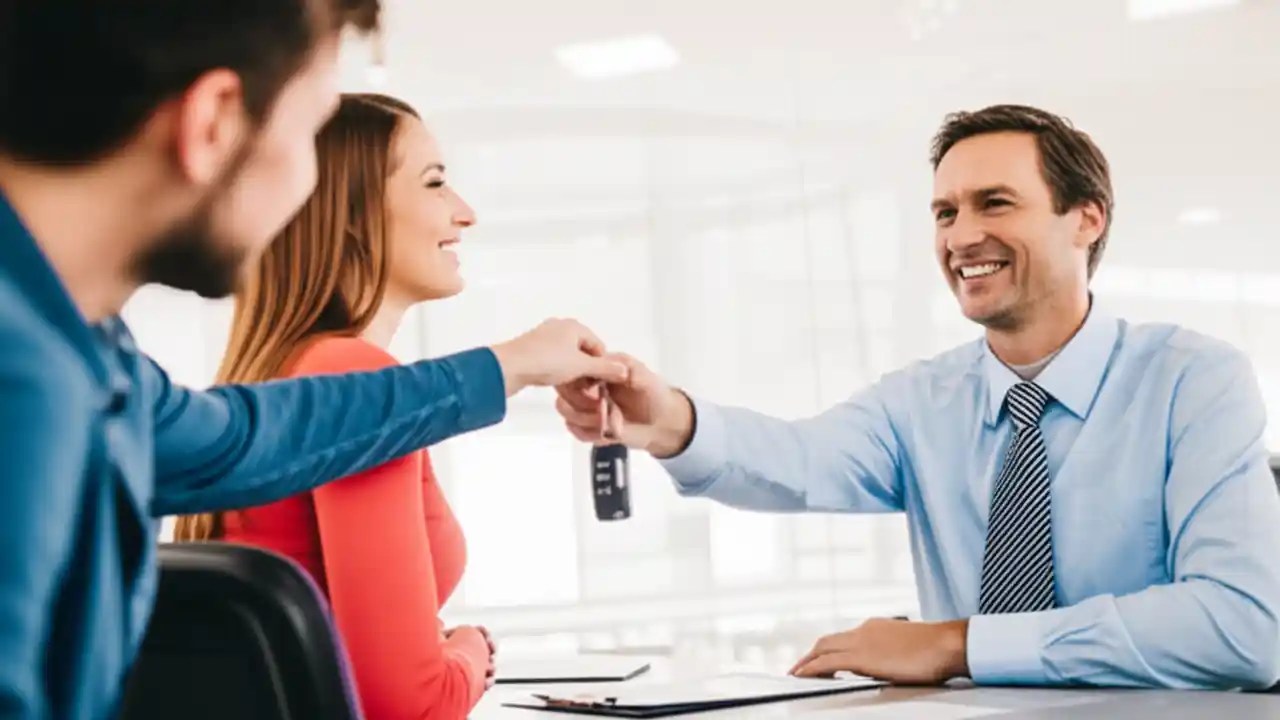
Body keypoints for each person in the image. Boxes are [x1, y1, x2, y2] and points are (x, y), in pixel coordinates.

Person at [0, 4, 626, 718]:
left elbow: (242, 441)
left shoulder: (85, 356)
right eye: (306, 131)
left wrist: (508, 366)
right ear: (214, 123)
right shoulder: (26, 379)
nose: (306, 189)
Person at [557, 104, 1280, 690]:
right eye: (944, 212)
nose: (962, 236)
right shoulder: (922, 401)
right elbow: (801, 459)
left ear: (1085, 220)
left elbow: (1243, 628)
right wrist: (669, 422)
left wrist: (957, 644)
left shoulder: (1194, 381)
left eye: (994, 203)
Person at [170, 93, 497, 719]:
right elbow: (407, 708)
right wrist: (471, 650)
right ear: (352, 213)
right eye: (435, 184)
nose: (465, 213)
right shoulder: (353, 376)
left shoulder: (279, 371)